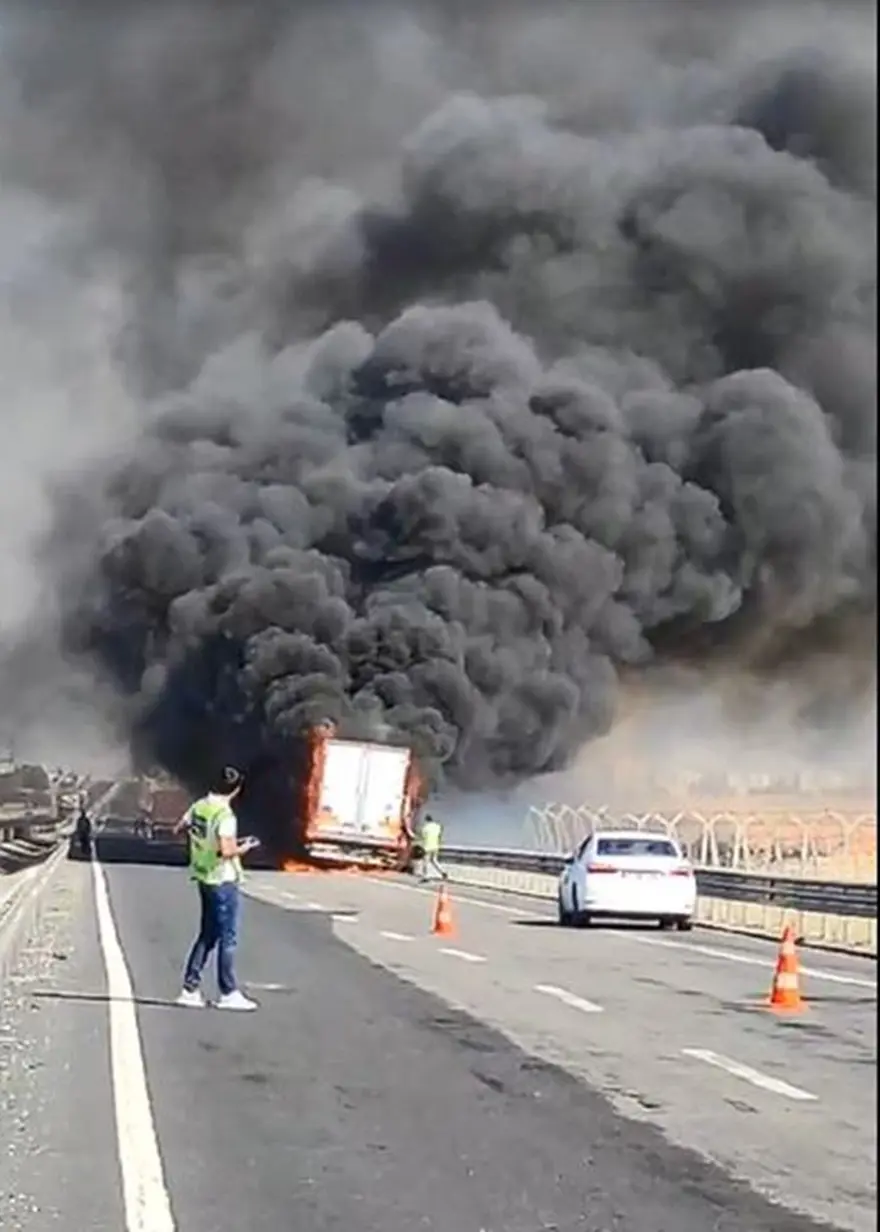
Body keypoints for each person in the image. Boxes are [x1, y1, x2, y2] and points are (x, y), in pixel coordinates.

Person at [174, 767, 259, 1011]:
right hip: (223, 880)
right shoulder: (225, 815)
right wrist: (245, 846)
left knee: (207, 935)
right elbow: (226, 851)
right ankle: (228, 992)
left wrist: (199, 846)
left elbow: (179, 828)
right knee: (228, 938)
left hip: (204, 878)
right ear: (236, 789)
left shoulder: (199, 806)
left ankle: (189, 989)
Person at [418, 813, 446, 883]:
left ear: (426, 820)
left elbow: (422, 837)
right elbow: (440, 835)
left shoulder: (425, 828)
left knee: (425, 863)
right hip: (435, 846)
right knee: (434, 860)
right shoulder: (437, 826)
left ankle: (425, 877)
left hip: (427, 847)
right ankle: (443, 872)